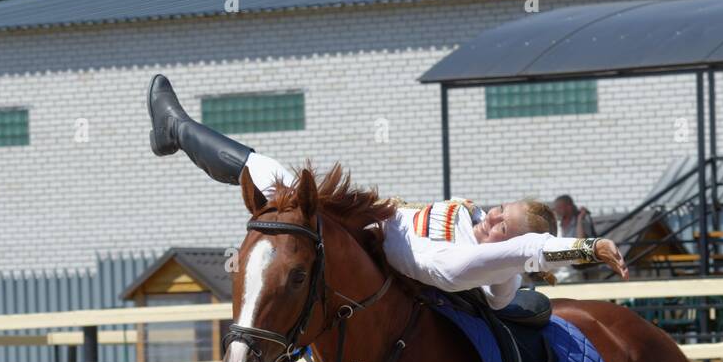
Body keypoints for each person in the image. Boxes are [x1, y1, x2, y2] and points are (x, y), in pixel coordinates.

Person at [146, 75, 627, 311]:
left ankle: (178, 128)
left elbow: (529, 248)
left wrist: (589, 248)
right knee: (272, 175)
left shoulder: (471, 266)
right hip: (373, 223)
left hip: (381, 245)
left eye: (505, 225)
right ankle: (177, 129)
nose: (494, 219)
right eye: (501, 209)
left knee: (281, 187)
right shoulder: (479, 225)